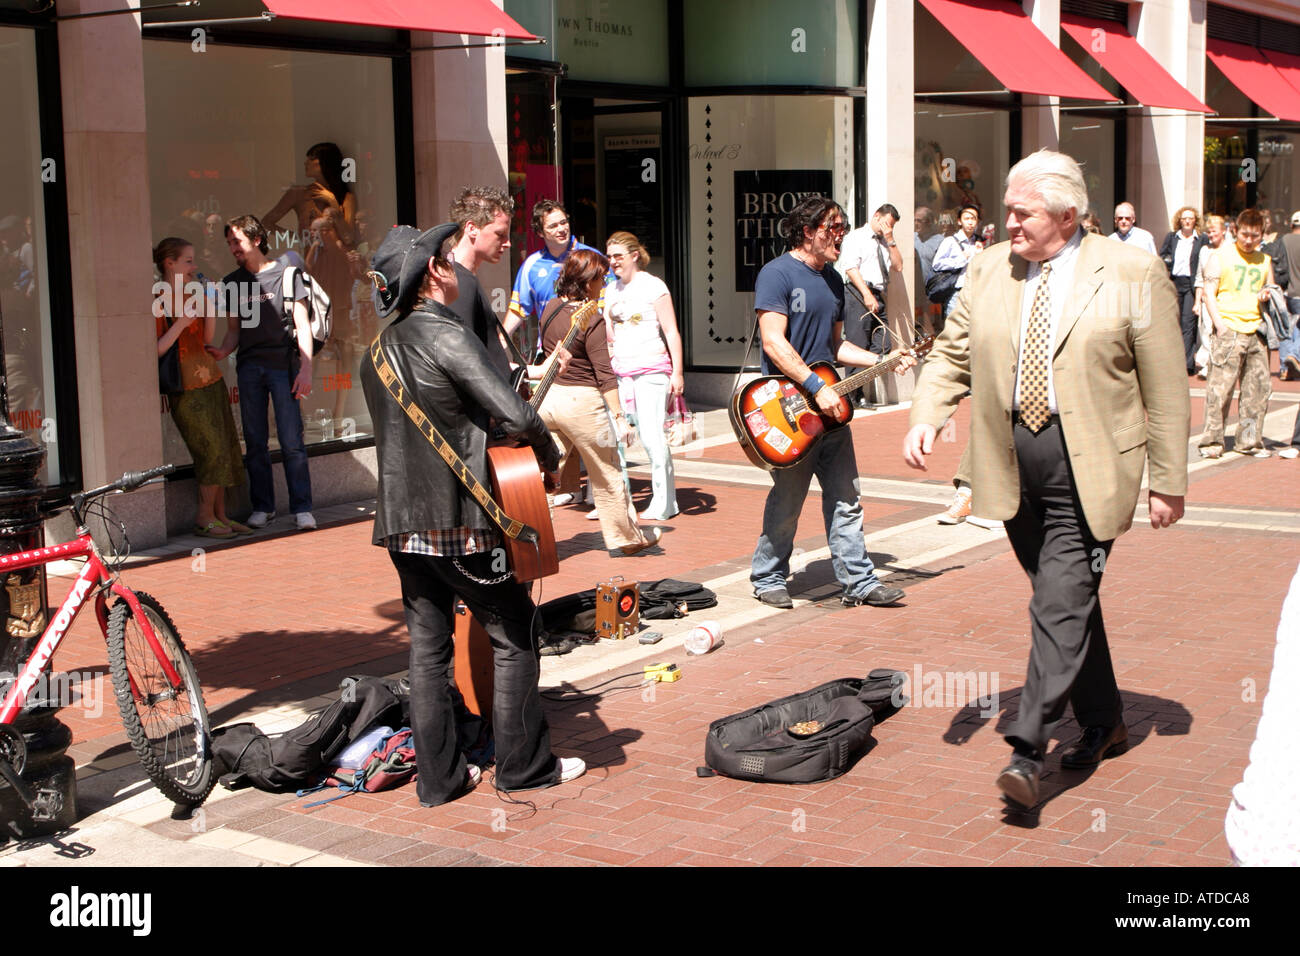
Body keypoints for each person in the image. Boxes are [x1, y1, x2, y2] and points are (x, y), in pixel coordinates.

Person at [903, 149, 1190, 809]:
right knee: (1066, 601)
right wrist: (928, 412)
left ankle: (1028, 749)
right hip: (1009, 467)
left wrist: (1168, 480)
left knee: (1057, 602)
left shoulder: (1131, 272)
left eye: (1021, 212)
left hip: (1089, 468)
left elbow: (1168, 387)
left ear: (1067, 215)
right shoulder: (987, 268)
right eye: (1006, 210)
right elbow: (952, 351)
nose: (1007, 223)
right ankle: (1104, 719)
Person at [358, 220, 584, 806]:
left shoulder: (375, 352)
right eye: (445, 258)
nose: (454, 267)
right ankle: (522, 768)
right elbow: (518, 416)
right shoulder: (447, 334)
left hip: (402, 527)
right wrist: (552, 460)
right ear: (433, 271)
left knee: (427, 653)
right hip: (460, 523)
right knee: (515, 634)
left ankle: (441, 781)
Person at [751, 196, 913, 611]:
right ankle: (768, 576)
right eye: (833, 227)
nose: (841, 235)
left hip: (832, 409)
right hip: (790, 409)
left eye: (842, 227)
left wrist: (882, 360)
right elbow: (773, 341)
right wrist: (810, 382)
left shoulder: (834, 282)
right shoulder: (777, 274)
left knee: (847, 496)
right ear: (808, 231)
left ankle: (859, 581)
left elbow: (836, 345)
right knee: (788, 501)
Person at [537, 249, 660, 556]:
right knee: (607, 472)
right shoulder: (591, 319)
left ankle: (535, 541)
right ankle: (626, 539)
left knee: (544, 477)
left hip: (548, 398)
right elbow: (604, 374)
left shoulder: (550, 308)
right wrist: (619, 417)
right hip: (583, 404)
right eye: (601, 278)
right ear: (587, 281)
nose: (604, 284)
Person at [208, 214, 316, 530]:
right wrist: (222, 351)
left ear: (256, 240)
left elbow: (303, 324)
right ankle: (263, 506)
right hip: (249, 368)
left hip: (283, 366)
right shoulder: (231, 283)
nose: (233, 248)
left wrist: (306, 368)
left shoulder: (286, 275)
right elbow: (233, 331)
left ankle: (302, 507)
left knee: (290, 439)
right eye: (229, 242)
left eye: (237, 241)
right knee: (255, 440)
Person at [152, 237, 248, 538]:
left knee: (226, 448)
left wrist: (209, 306)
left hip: (212, 379)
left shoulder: (192, 293)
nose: (194, 266)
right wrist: (180, 323)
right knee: (210, 450)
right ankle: (204, 516)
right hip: (185, 386)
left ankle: (221, 515)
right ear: (170, 263)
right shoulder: (158, 299)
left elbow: (207, 338)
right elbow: (154, 349)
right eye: (188, 261)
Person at [604, 230, 683, 522]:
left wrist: (677, 372)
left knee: (651, 437)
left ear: (634, 256)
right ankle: (622, 503)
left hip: (651, 370)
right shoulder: (611, 290)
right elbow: (608, 332)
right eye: (609, 256)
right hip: (621, 372)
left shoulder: (654, 286)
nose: (612, 262)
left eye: (618, 256)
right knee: (616, 438)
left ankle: (664, 502)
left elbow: (671, 331)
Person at [1199, 207, 1274, 460]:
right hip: (1229, 329)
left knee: (1256, 392)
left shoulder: (1265, 260)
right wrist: (1219, 325)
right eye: (1245, 234)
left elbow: (1270, 287)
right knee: (1220, 390)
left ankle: (1249, 441)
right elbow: (1209, 292)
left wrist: (1266, 295)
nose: (1249, 240)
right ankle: (1212, 441)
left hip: (1256, 331)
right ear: (1235, 231)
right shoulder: (1220, 256)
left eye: (1255, 235)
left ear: (1262, 234)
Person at [506, 199, 600, 351]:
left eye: (563, 222)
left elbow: (609, 303)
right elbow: (518, 308)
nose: (561, 229)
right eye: (553, 226)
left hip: (588, 349)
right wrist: (500, 342)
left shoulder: (593, 258)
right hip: (549, 351)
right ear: (540, 232)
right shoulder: (531, 265)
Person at [838, 204, 903, 408]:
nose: (887, 228)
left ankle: (856, 390)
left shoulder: (885, 242)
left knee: (883, 342)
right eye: (886, 223)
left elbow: (899, 266)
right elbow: (850, 267)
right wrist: (865, 294)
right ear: (876, 216)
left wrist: (890, 239)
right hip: (858, 292)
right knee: (857, 343)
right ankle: (851, 396)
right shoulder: (856, 237)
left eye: (891, 226)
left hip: (878, 293)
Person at [1158, 207, 1206, 374]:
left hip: (1191, 285)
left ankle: (1186, 364)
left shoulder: (1201, 239)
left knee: (1188, 324)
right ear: (1179, 220)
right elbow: (1162, 256)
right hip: (1174, 283)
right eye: (1184, 218)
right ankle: (1172, 360)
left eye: (1190, 218)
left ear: (1195, 221)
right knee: (1173, 323)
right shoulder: (1172, 238)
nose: (1187, 221)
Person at [931, 203, 984, 321]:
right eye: (967, 219)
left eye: (973, 219)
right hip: (957, 293)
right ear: (959, 221)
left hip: (975, 292)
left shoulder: (979, 242)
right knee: (953, 331)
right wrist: (962, 259)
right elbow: (937, 264)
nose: (970, 222)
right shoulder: (950, 241)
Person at [1192, 214, 1228, 377]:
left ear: (1224, 231)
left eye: (1214, 231)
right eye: (1209, 232)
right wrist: (1197, 302)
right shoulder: (1204, 251)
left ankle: (1220, 362)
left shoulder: (1230, 250)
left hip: (1225, 297)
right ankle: (1208, 364)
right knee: (1206, 330)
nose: (1211, 235)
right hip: (1207, 297)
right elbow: (1200, 277)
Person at [1278, 211, 1300, 382]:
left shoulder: (1283, 240)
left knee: (1287, 329)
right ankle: (1295, 355)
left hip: (1287, 291)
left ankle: (1285, 369)